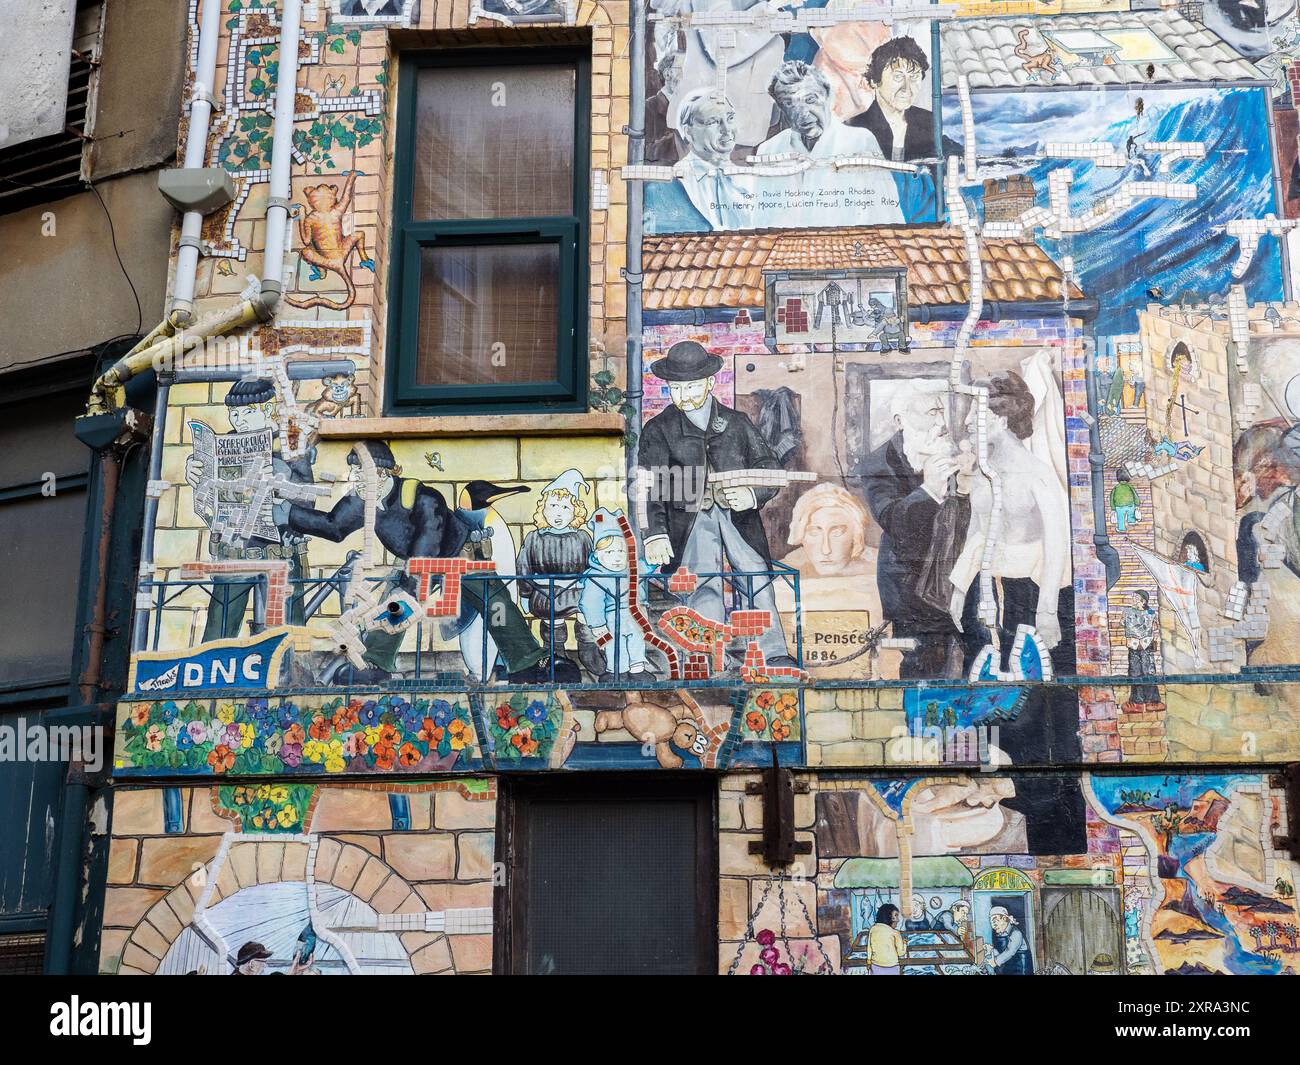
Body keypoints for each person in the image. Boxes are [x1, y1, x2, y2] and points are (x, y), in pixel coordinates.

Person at [287, 441, 575, 683]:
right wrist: (287, 514)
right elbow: (333, 526)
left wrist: (409, 589)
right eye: (354, 470)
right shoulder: (362, 500)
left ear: (384, 472)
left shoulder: (423, 497)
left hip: (458, 556)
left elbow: (428, 545)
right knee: (393, 604)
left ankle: (528, 663)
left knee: (496, 604)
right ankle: (375, 663)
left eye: (361, 470)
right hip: (418, 562)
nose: (355, 477)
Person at [638, 341, 795, 667]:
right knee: (701, 585)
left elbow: (770, 469)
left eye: (691, 386)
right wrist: (655, 533)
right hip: (689, 521)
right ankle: (709, 657)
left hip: (739, 518)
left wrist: (752, 494)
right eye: (675, 388)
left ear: (709, 383)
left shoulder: (737, 424)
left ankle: (773, 653)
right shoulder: (658, 429)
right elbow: (649, 486)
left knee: (756, 579)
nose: (682, 395)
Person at [948, 371, 1073, 671]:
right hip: (983, 591)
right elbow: (976, 533)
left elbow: (1057, 544)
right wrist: (960, 589)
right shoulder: (982, 474)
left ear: (1001, 420)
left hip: (1028, 594)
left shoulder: (1038, 475)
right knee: (981, 672)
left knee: (1027, 675)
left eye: (975, 417)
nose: (966, 425)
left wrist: (1047, 611)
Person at [186, 378, 314, 641]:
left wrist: (280, 481)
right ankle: (211, 675)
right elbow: (210, 501)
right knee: (219, 629)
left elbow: (308, 499)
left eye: (247, 412)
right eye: (234, 414)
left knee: (285, 631)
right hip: (235, 549)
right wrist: (197, 476)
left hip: (281, 551)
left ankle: (286, 677)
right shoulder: (226, 445)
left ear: (267, 409)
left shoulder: (290, 444)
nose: (238, 421)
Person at [861, 380, 971, 677]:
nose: (941, 422)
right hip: (911, 585)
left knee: (976, 657)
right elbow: (893, 520)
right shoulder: (878, 462)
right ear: (900, 420)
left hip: (962, 577)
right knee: (925, 665)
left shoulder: (959, 451)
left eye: (941, 412)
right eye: (931, 413)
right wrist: (930, 489)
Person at [754, 61, 903, 228]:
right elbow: (761, 224)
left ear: (828, 97)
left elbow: (887, 218)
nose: (802, 113)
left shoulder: (859, 143)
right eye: (789, 103)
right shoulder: (768, 151)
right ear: (781, 108)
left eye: (810, 99)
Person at [518, 469, 602, 675]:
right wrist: (525, 594)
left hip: (578, 593)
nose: (558, 513)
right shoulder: (534, 538)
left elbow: (593, 565)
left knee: (585, 621)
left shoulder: (582, 537)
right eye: (552, 506)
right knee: (552, 626)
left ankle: (588, 651)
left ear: (575, 512)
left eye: (565, 507)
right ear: (543, 509)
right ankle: (556, 656)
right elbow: (523, 567)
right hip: (547, 595)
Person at [847, 36, 953, 164]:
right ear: (874, 81)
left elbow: (950, 150)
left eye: (914, 77)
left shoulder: (928, 120)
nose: (906, 88)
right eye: (898, 76)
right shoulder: (854, 127)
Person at [578, 508, 655, 679]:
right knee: (614, 645)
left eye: (621, 551)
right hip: (612, 618)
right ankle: (617, 671)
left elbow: (645, 567)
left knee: (636, 640)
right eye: (610, 552)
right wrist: (597, 624)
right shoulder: (596, 576)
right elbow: (590, 602)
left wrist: (654, 561)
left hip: (635, 614)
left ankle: (637, 669)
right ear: (597, 555)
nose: (617, 557)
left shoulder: (631, 568)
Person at [782, 482, 876, 578]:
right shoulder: (782, 571)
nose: (826, 550)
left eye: (837, 533)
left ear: (856, 535)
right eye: (814, 533)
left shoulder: (880, 567)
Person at [1122, 589, 1161, 706]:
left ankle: (1152, 699)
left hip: (1146, 644)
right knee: (1134, 672)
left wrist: (1154, 638)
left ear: (1143, 601)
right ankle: (1137, 700)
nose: (1133, 599)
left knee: (1148, 671)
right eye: (1133, 597)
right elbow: (1123, 623)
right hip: (1133, 645)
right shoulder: (1127, 611)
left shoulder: (1150, 613)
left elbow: (1154, 627)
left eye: (1136, 597)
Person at [985, 907, 1031, 975]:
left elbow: (1010, 951)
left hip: (1021, 970)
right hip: (1009, 970)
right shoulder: (1002, 934)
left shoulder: (1016, 933)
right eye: (991, 922)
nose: (993, 926)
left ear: (1004, 919)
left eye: (995, 921)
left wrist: (995, 962)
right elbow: (1001, 951)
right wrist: (991, 950)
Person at [865, 902, 906, 975]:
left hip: (875, 966)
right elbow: (901, 953)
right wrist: (905, 943)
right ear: (889, 917)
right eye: (896, 915)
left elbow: (869, 948)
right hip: (892, 967)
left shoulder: (873, 929)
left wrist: (868, 961)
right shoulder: (895, 933)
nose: (898, 920)